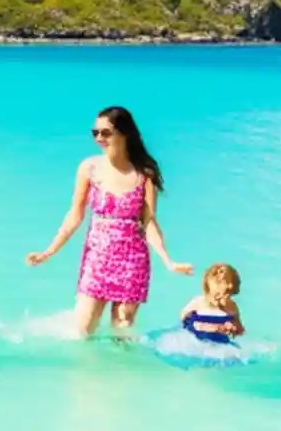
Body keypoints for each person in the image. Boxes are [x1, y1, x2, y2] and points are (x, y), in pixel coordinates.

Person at [26, 106, 192, 337]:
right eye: (95, 133)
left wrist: (168, 261)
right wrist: (49, 251)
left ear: (124, 133)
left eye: (105, 132)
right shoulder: (89, 168)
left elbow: (149, 223)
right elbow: (75, 215)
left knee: (122, 331)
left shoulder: (145, 174)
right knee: (83, 329)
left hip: (132, 259)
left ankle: (121, 373)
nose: (99, 138)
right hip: (98, 256)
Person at [180, 263, 244, 344]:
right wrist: (213, 327)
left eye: (228, 295)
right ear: (207, 290)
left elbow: (240, 329)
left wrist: (233, 328)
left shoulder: (231, 306)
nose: (221, 301)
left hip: (220, 344)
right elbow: (184, 319)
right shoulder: (199, 302)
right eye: (217, 295)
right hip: (197, 341)